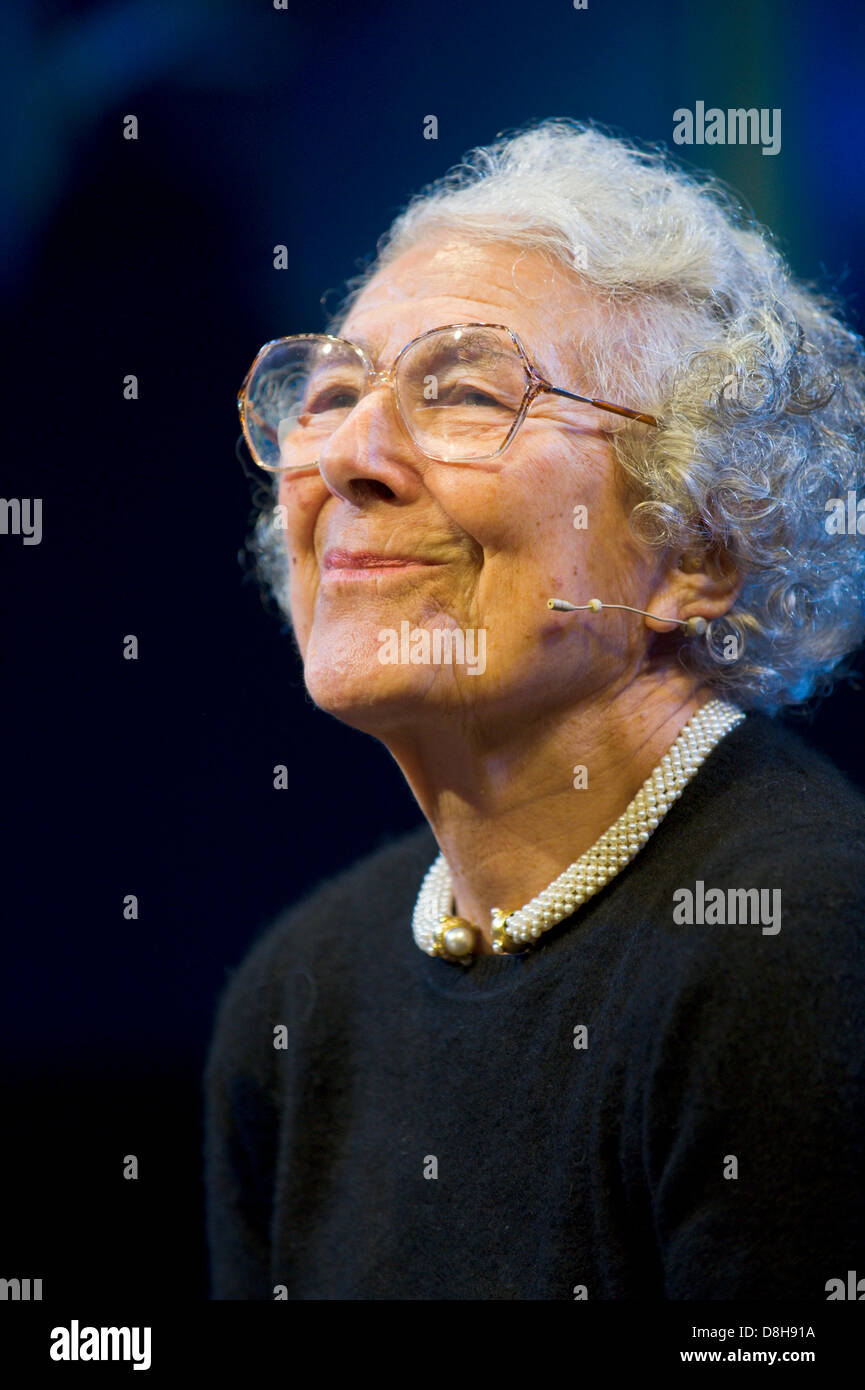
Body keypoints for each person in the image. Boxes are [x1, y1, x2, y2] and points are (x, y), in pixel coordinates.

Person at [205, 119, 865, 1299]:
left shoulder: (802, 947)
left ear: (696, 545)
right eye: (334, 389)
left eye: (460, 393)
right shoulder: (302, 993)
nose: (351, 453)